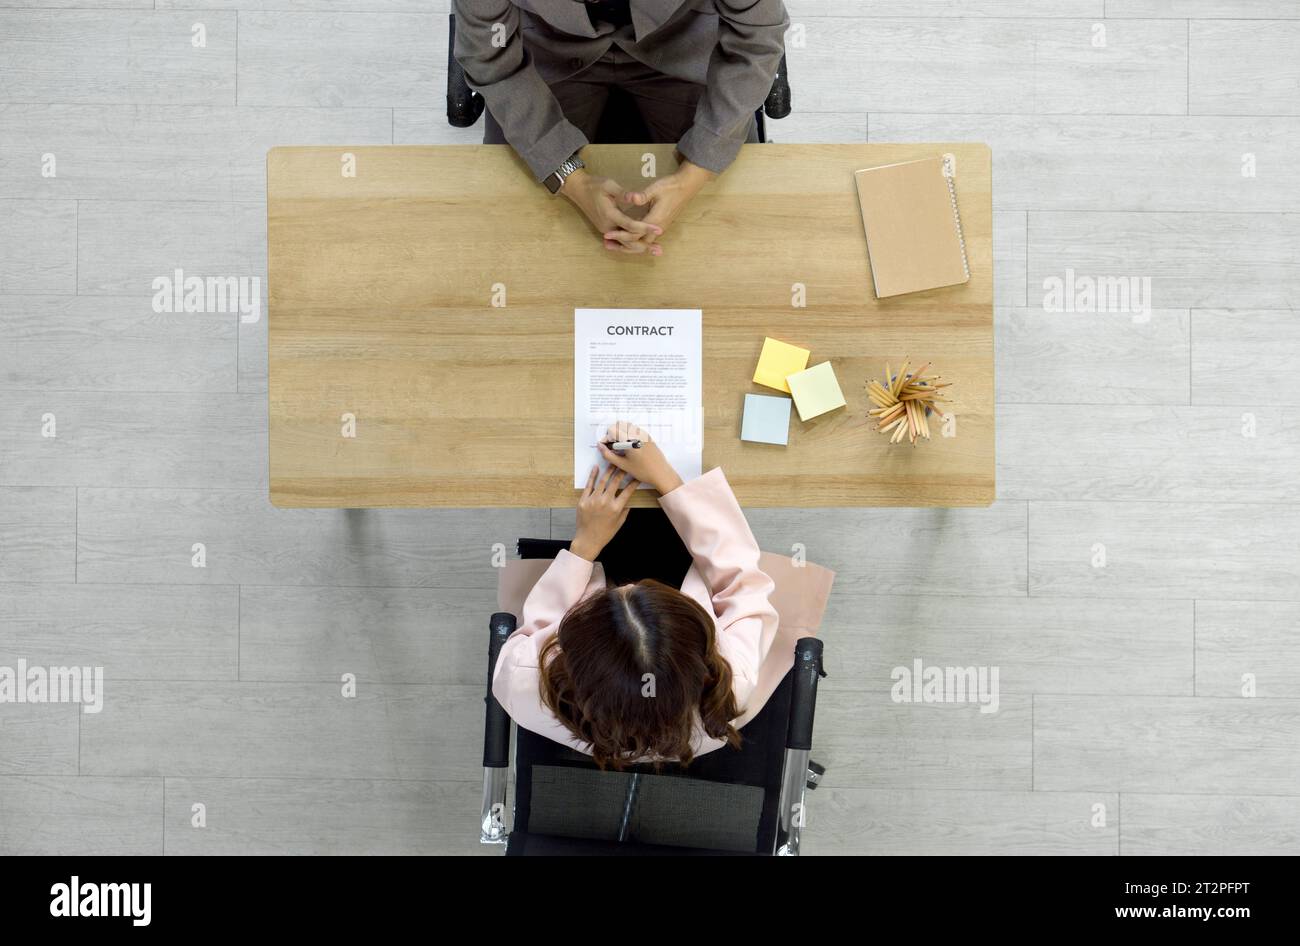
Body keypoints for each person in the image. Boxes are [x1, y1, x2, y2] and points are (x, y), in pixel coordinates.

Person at [492, 422, 779, 768]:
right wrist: (667, 478)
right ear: (706, 653)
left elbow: (540, 621)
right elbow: (743, 580)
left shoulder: (524, 679)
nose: (629, 583)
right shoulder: (731, 683)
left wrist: (584, 546)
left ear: (568, 647)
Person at [452, 0, 789, 255]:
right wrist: (569, 178)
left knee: (729, 232)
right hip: (548, 52)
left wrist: (695, 173)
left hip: (679, 43)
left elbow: (756, 39)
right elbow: (491, 60)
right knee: (516, 236)